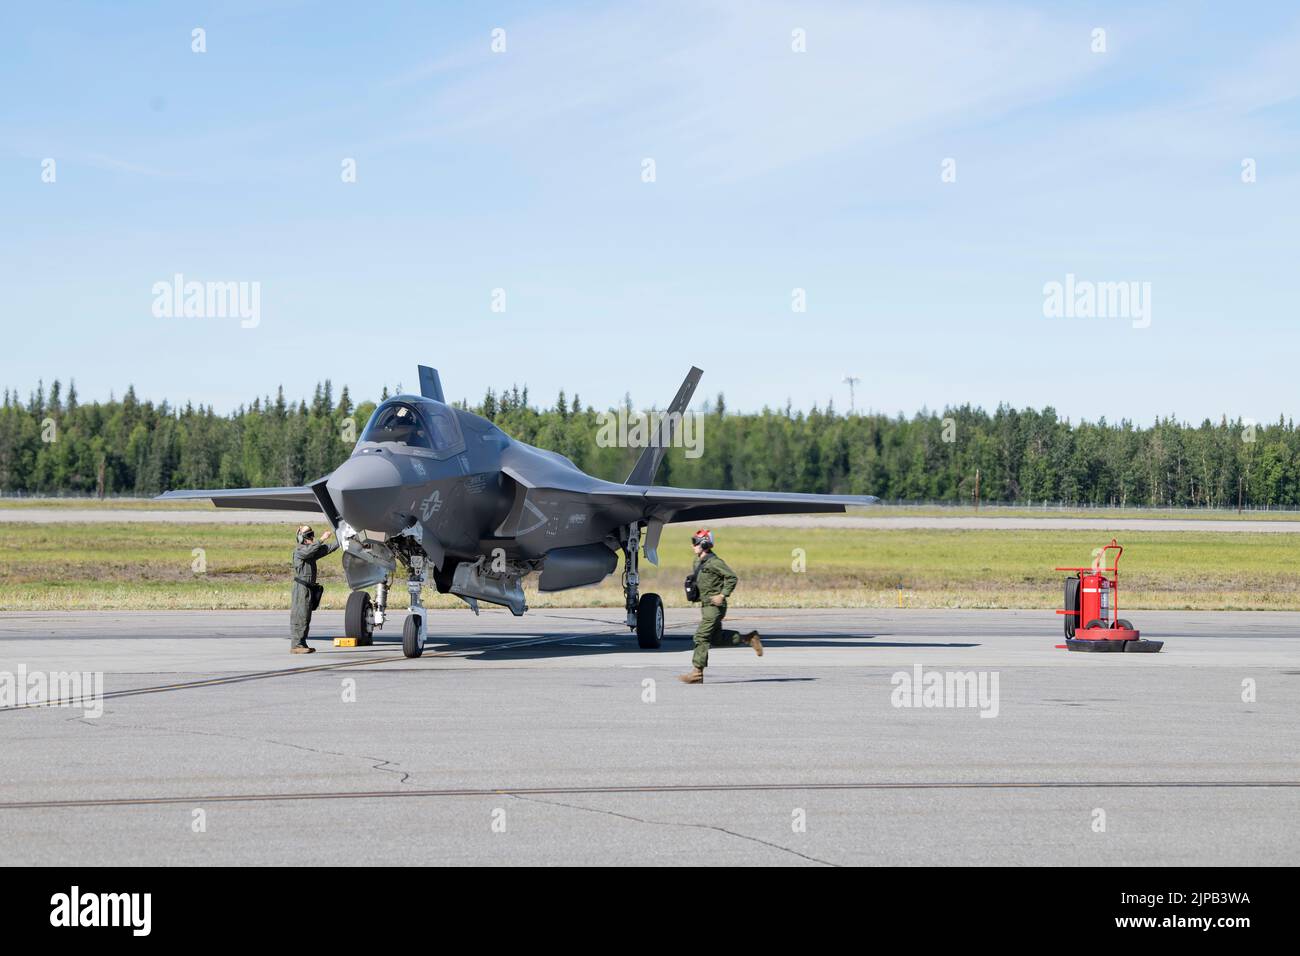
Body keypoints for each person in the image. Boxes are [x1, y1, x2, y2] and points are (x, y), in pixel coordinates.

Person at [679, 529, 762, 684]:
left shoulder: (715, 562)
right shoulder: (698, 561)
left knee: (701, 637)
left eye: (695, 543)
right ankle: (749, 638)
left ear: (704, 544)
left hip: (715, 606)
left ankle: (697, 673)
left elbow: (732, 577)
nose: (693, 546)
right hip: (705, 605)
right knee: (717, 638)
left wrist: (722, 595)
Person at [290, 525, 338, 654]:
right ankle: (296, 645)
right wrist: (322, 538)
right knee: (300, 615)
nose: (312, 538)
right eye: (309, 535)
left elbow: (327, 549)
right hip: (301, 588)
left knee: (306, 616)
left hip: (309, 587)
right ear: (303, 539)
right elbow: (310, 551)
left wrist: (341, 539)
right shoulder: (300, 551)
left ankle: (301, 643)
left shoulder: (310, 551)